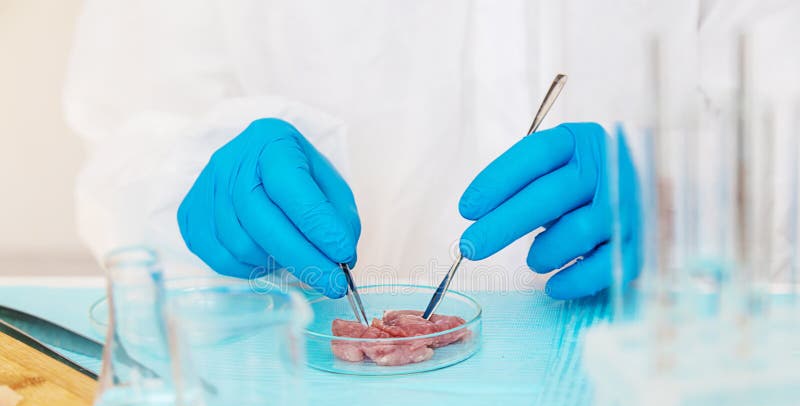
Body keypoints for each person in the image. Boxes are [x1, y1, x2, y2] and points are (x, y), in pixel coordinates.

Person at [64, 0, 797, 299]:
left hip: (656, 366)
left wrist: (691, 189)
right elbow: (129, 138)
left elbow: (779, 96)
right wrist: (199, 184)